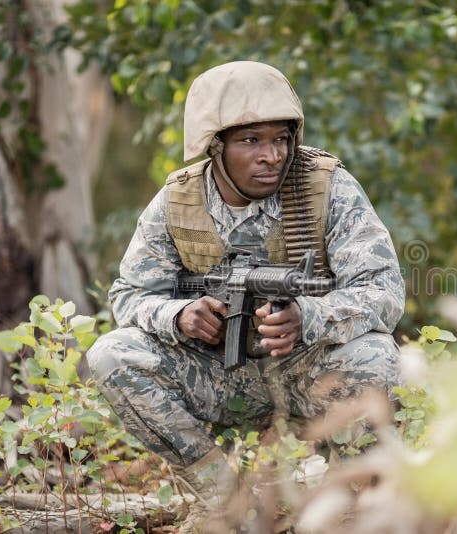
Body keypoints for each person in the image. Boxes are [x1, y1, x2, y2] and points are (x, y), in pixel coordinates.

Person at [86, 61, 405, 530]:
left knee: (377, 356)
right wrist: (179, 315)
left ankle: (352, 505)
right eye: (251, 140)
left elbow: (383, 289)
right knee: (112, 353)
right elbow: (131, 294)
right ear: (214, 146)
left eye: (280, 139)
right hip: (218, 376)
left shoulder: (325, 187)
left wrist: (308, 317)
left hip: (309, 372)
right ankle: (225, 501)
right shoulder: (178, 201)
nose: (271, 156)